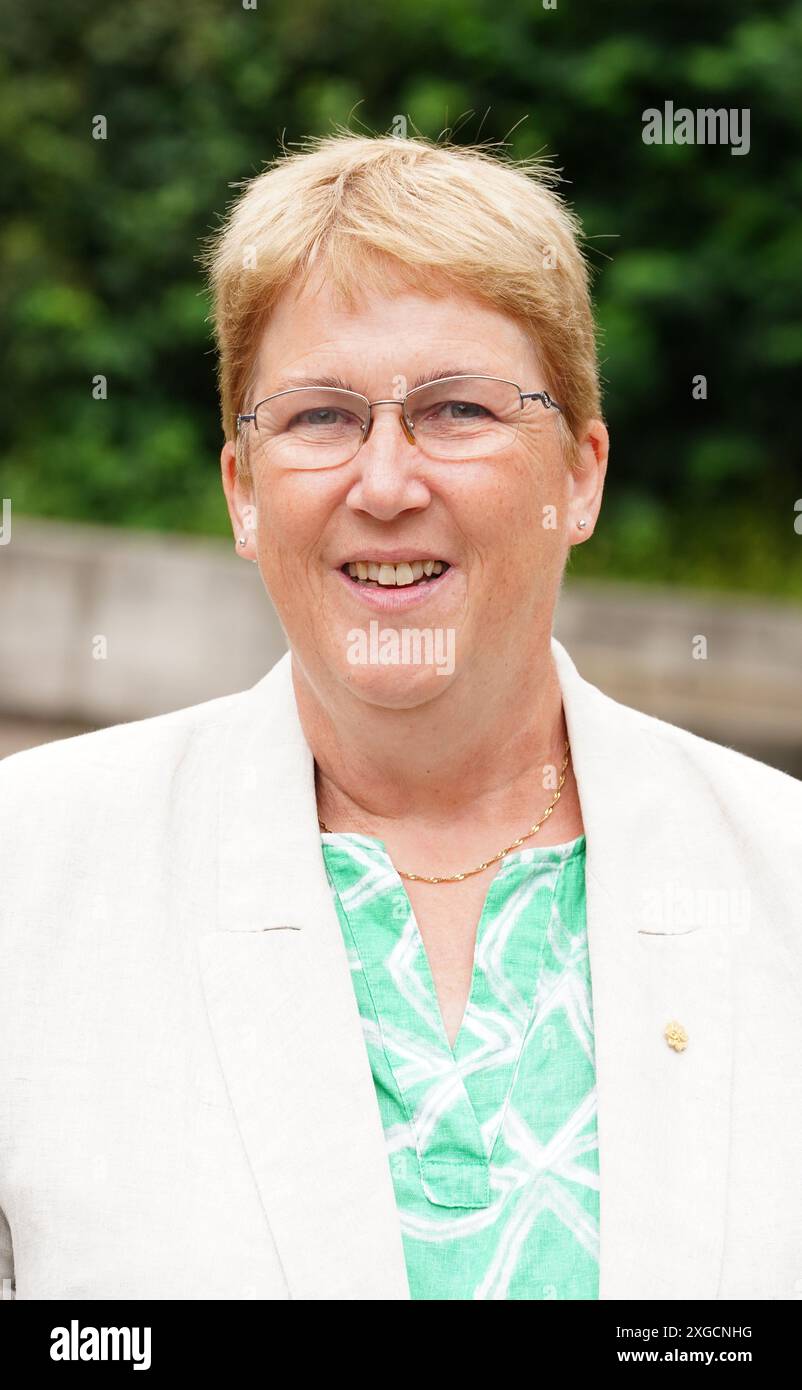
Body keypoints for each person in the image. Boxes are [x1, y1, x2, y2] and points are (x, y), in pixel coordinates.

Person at [0, 134, 799, 1302]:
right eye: (320, 417)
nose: (384, 485)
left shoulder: (781, 873)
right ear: (241, 490)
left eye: (457, 409)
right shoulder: (28, 873)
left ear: (578, 476)